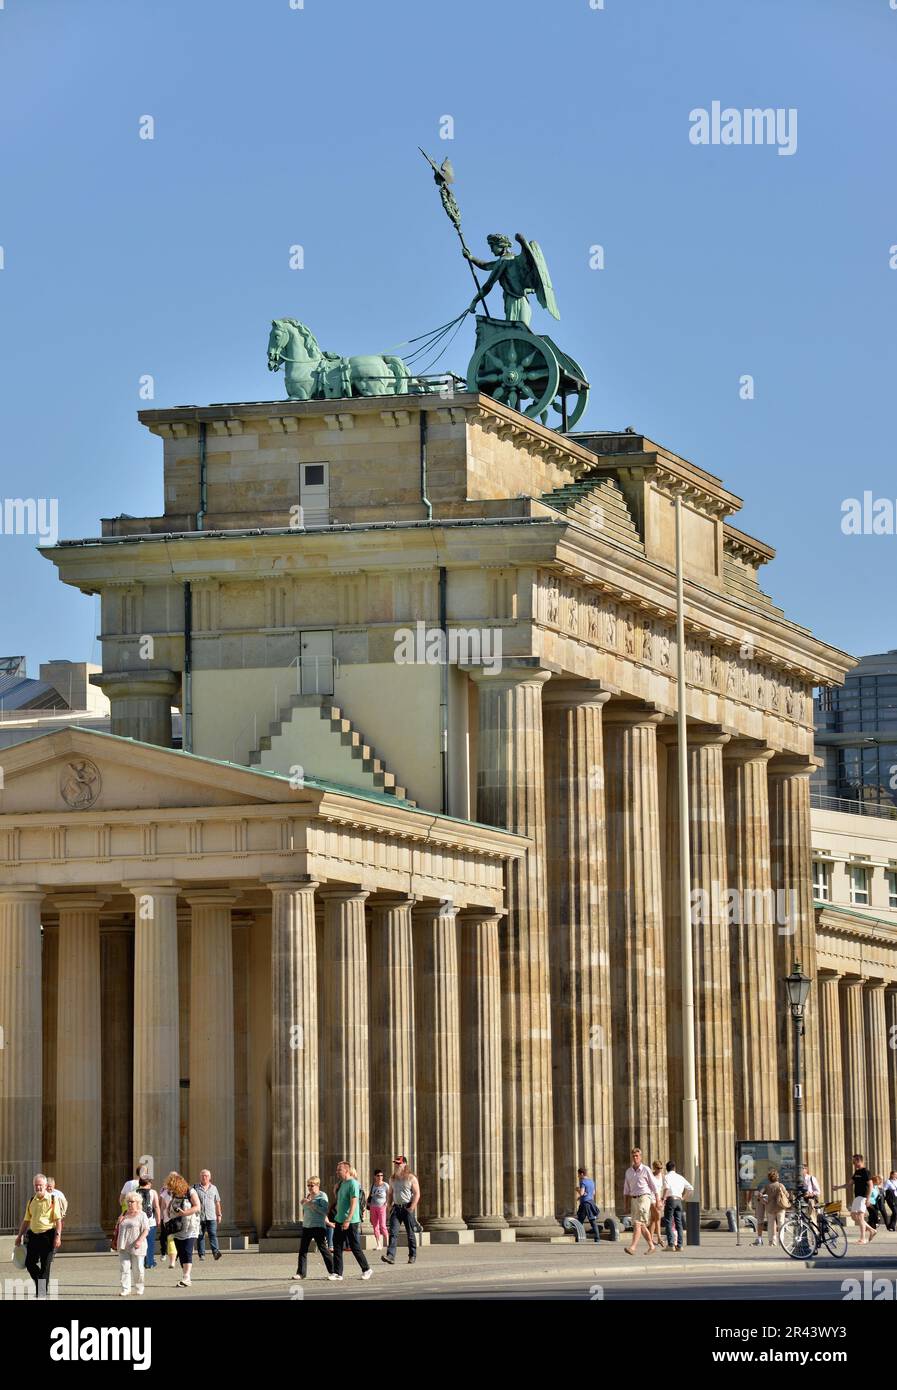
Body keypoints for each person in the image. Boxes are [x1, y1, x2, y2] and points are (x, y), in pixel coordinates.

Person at [14, 1173, 62, 1298]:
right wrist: (19, 1236)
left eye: (40, 1185)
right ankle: (40, 1283)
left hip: (48, 1236)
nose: (38, 1187)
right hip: (34, 1236)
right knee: (29, 1263)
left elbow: (58, 1221)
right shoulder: (31, 1201)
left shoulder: (52, 1200)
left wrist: (58, 1236)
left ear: (46, 1186)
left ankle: (41, 1293)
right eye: (36, 1185)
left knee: (45, 1266)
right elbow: (26, 1221)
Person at [328, 1160, 372, 1282]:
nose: (337, 1172)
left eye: (339, 1170)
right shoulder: (342, 1184)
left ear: (346, 1171)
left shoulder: (353, 1183)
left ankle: (366, 1269)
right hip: (339, 1219)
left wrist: (348, 1219)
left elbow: (354, 1203)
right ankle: (337, 1273)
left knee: (354, 1246)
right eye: (337, 1170)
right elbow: (340, 1201)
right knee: (337, 1246)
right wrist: (335, 1190)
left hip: (350, 1221)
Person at [291, 1176, 335, 1280]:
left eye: (312, 1185)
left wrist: (310, 1204)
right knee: (303, 1250)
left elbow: (324, 1211)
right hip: (307, 1226)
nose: (310, 1187)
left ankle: (334, 1271)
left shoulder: (322, 1196)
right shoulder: (308, 1196)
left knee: (323, 1249)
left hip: (318, 1226)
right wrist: (304, 1203)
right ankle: (301, 1273)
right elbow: (306, 1211)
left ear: (318, 1185)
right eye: (308, 1185)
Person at [163, 1172, 202, 1287]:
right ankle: (186, 1276)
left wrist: (185, 1213)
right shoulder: (174, 1194)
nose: (170, 1189)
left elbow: (197, 1206)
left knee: (187, 1251)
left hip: (190, 1228)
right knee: (181, 1252)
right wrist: (168, 1212)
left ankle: (186, 1278)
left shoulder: (190, 1192)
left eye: (172, 1186)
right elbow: (169, 1206)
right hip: (177, 1228)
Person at [381, 1156, 420, 1266]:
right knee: (393, 1233)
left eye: (399, 1163)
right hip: (396, 1208)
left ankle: (412, 1255)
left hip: (407, 1207)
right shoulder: (392, 1178)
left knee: (410, 1233)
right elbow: (390, 1193)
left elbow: (417, 1193)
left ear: (405, 1164)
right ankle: (390, 1256)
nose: (397, 1165)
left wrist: (412, 1207)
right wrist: (389, 1205)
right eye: (396, 1163)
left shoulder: (411, 1178)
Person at [623, 1147, 659, 1255]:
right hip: (634, 1199)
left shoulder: (646, 1169)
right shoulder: (629, 1171)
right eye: (633, 1156)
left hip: (644, 1197)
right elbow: (626, 1189)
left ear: (641, 1157)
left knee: (638, 1223)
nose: (635, 1158)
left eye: (637, 1156)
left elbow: (654, 1185)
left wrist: (658, 1200)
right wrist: (625, 1204)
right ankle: (651, 1246)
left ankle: (633, 1247)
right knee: (641, 1225)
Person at [114, 1192, 150, 1296]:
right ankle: (126, 1289)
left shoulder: (142, 1215)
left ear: (138, 1202)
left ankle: (139, 1287)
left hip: (137, 1245)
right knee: (124, 1267)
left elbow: (146, 1230)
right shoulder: (124, 1213)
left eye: (132, 1201)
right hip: (123, 1245)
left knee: (138, 1268)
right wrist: (119, 1221)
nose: (129, 1203)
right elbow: (119, 1228)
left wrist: (139, 1241)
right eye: (128, 1201)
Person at [835, 1154, 874, 1245]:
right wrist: (838, 1187)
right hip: (857, 1197)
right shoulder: (856, 1172)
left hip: (863, 1197)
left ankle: (863, 1238)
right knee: (853, 1216)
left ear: (859, 1161)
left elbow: (871, 1185)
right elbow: (849, 1185)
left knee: (860, 1217)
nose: (853, 1164)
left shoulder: (865, 1172)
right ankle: (871, 1230)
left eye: (854, 1162)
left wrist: (868, 1199)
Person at [661, 1161, 693, 1251]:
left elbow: (666, 1188)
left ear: (667, 1169)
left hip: (670, 1199)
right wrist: (683, 1197)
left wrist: (663, 1198)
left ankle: (671, 1244)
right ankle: (679, 1245)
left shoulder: (666, 1177)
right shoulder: (680, 1177)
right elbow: (690, 1188)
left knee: (669, 1222)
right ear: (674, 1168)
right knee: (679, 1223)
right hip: (679, 1200)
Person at [195, 1169, 223, 1261]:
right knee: (200, 1235)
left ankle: (215, 1252)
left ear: (210, 1177)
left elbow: (217, 1202)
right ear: (200, 1177)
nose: (204, 1177)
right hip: (199, 1216)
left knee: (213, 1234)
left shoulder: (214, 1188)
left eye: (206, 1176)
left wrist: (219, 1214)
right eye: (203, 1175)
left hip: (211, 1216)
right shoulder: (195, 1188)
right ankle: (201, 1254)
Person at [136, 1175, 161, 1269]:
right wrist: (158, 1219)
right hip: (150, 1220)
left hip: (138, 1220)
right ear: (149, 1183)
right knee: (150, 1243)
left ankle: (139, 1262)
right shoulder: (153, 1192)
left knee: (138, 1241)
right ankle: (149, 1262)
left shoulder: (134, 1192)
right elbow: (156, 1206)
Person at [763, 1169, 791, 1246]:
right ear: (777, 1177)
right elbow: (787, 1195)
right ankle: (781, 1240)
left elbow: (762, 1195)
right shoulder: (780, 1185)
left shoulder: (767, 1186)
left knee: (771, 1225)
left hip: (770, 1207)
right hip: (780, 1207)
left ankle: (772, 1241)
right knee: (781, 1224)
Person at [575, 1168, 601, 1244]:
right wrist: (582, 1196)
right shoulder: (591, 1181)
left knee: (580, 1221)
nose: (578, 1176)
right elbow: (593, 1193)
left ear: (582, 1174)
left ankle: (578, 1237)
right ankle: (597, 1238)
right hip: (591, 1202)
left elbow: (582, 1193)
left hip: (585, 1204)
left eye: (578, 1174)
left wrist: (577, 1190)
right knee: (592, 1220)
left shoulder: (583, 1182)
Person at [368, 1169, 389, 1250]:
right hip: (373, 1206)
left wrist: (387, 1203)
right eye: (378, 1176)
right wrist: (368, 1203)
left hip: (382, 1206)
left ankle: (387, 1243)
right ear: (375, 1177)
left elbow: (389, 1194)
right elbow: (370, 1195)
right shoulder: (372, 1185)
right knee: (375, 1226)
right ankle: (378, 1244)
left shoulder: (385, 1185)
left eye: (381, 1175)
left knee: (383, 1225)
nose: (380, 1177)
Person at [649, 1161, 665, 1247]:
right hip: (652, 1198)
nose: (660, 1170)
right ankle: (659, 1237)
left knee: (653, 1219)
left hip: (659, 1199)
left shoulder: (662, 1176)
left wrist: (662, 1199)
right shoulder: (651, 1176)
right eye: (658, 1168)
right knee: (658, 1216)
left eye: (661, 1168)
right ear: (654, 1168)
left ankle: (650, 1238)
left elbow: (662, 1188)